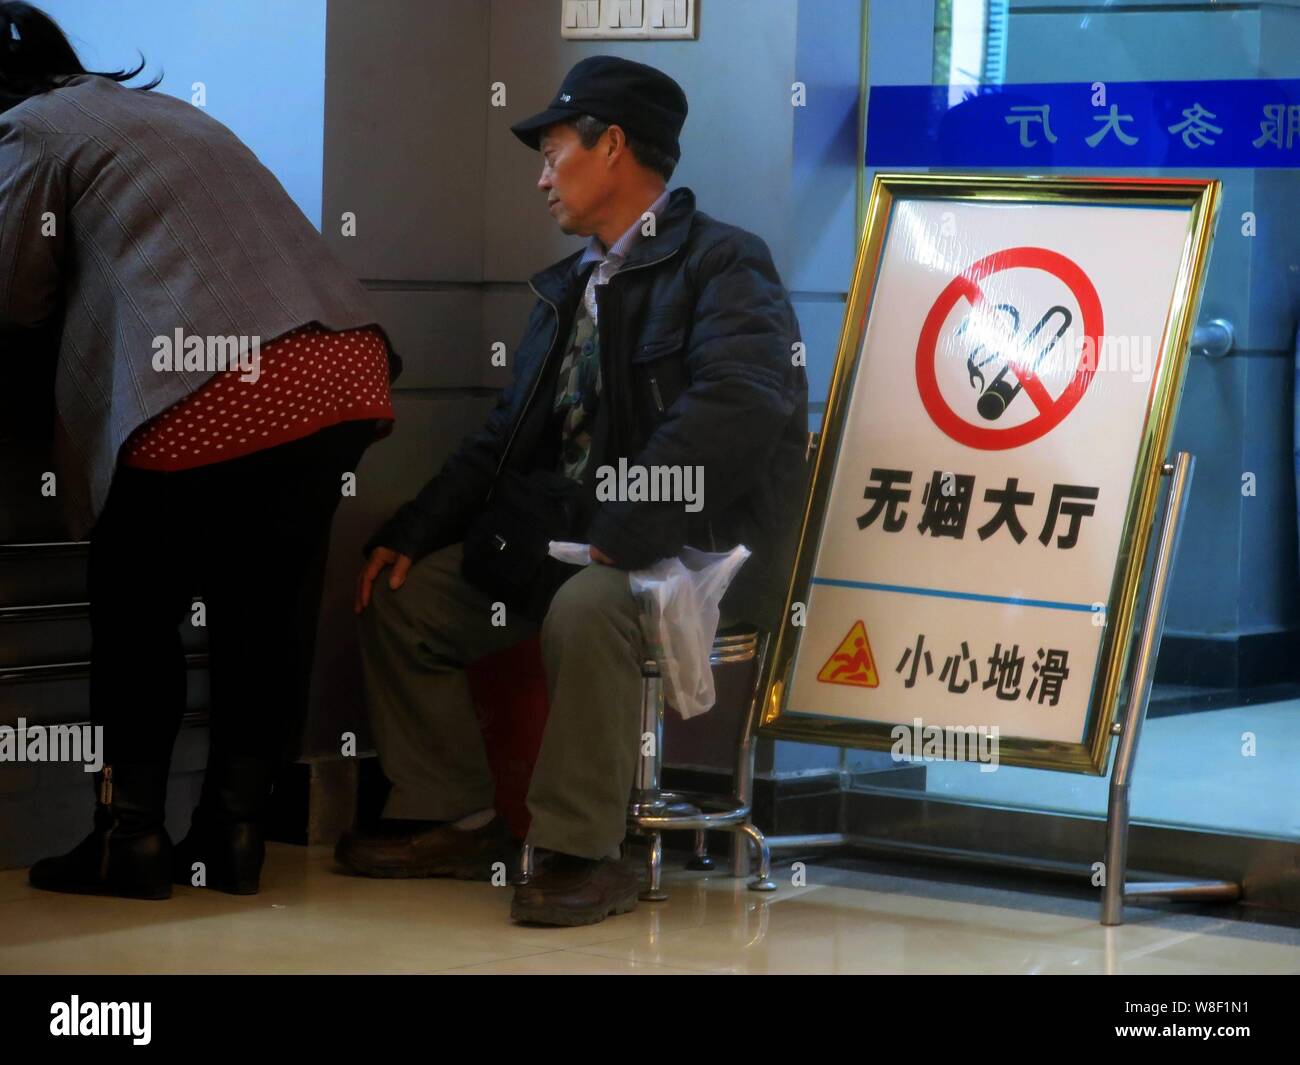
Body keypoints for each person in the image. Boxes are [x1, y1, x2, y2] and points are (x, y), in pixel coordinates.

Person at [339, 55, 808, 927]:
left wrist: (625, 527)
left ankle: (581, 850)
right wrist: (412, 529)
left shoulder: (726, 265)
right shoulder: (572, 286)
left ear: (615, 146)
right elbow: (504, 434)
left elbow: (737, 407)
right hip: (574, 536)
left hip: (696, 553)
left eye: (555, 152)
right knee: (404, 599)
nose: (542, 177)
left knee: (590, 605)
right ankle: (458, 815)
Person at [0, 2, 400, 900]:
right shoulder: (171, 112)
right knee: (263, 616)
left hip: (213, 384)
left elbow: (12, 289)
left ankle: (129, 841)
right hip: (339, 367)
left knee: (135, 604)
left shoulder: (26, 129)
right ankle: (234, 835)